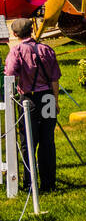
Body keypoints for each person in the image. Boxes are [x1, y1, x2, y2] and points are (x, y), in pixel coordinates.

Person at [3, 16, 60, 193]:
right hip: (48, 97)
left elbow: (10, 74)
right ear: (32, 31)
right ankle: (49, 183)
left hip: (28, 99)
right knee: (48, 141)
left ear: (14, 33)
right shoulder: (47, 49)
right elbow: (55, 79)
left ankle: (30, 184)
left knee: (28, 142)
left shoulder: (16, 51)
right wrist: (55, 101)